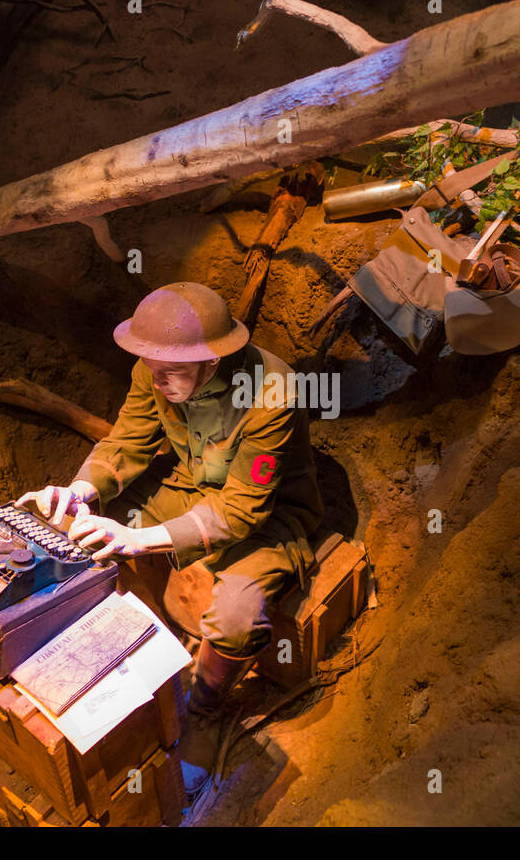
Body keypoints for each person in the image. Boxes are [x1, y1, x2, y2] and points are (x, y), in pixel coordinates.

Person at [17, 282, 324, 787]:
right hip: (188, 487)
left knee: (236, 615)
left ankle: (203, 710)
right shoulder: (154, 368)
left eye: (171, 371)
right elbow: (127, 440)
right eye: (150, 366)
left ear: (212, 362)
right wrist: (79, 492)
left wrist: (141, 539)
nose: (155, 380)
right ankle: (141, 641)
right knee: (86, 521)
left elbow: (243, 510)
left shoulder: (274, 396)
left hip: (265, 516)